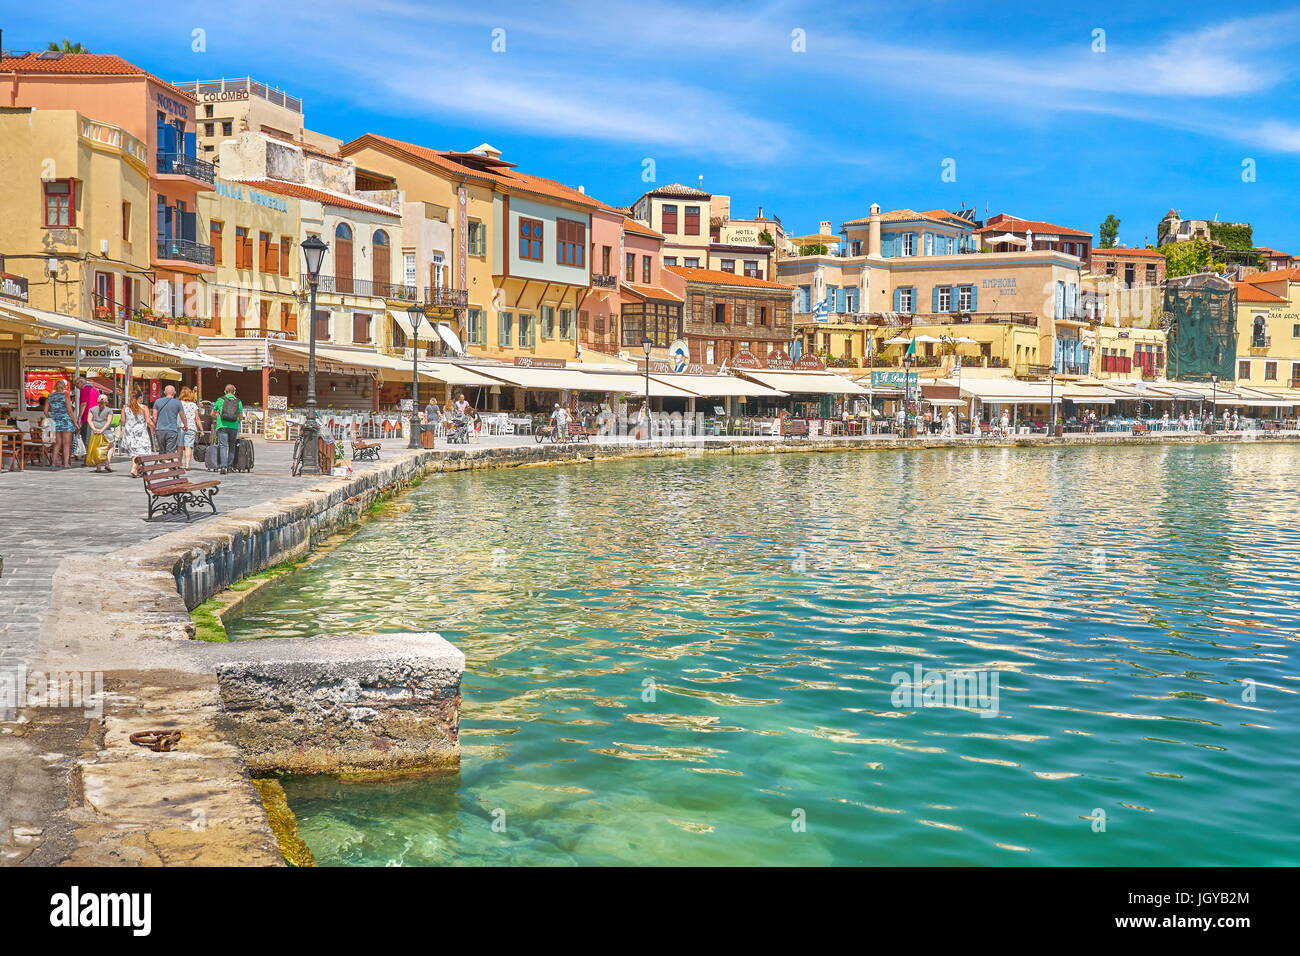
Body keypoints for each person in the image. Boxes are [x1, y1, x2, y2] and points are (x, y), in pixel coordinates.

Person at [42, 380, 75, 468]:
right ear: (63, 387)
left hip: (55, 421)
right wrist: (75, 422)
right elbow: (69, 411)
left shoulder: (50, 396)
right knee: (66, 443)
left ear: (55, 387)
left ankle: (53, 462)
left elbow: (45, 411)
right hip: (65, 420)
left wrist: (51, 417)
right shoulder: (65, 395)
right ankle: (66, 463)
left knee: (57, 443)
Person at [121, 391, 153, 476]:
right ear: (140, 398)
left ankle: (137, 469)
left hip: (129, 432)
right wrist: (154, 427)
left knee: (134, 453)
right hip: (140, 432)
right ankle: (134, 468)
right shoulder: (143, 407)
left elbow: (123, 421)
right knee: (140, 452)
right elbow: (148, 421)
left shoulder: (125, 408)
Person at [212, 384, 242, 473]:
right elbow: (240, 416)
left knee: (223, 446)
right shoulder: (238, 401)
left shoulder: (220, 400)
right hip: (233, 426)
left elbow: (213, 413)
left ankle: (223, 467)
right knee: (232, 446)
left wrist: (217, 418)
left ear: (225, 391)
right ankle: (230, 466)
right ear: (234, 392)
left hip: (222, 425)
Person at [152, 384, 187, 455]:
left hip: (160, 430)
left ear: (164, 392)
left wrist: (154, 426)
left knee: (162, 451)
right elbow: (183, 416)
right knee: (170, 451)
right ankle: (170, 464)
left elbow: (154, 417)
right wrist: (185, 425)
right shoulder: (178, 403)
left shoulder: (157, 402)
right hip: (172, 430)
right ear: (174, 393)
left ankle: (163, 464)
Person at [86, 394, 116, 473]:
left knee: (97, 448)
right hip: (106, 431)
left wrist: (94, 429)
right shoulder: (109, 410)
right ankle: (107, 464)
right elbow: (109, 421)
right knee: (110, 446)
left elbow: (89, 420)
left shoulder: (92, 409)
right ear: (107, 402)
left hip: (95, 431)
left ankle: (98, 467)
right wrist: (102, 429)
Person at [76, 376, 100, 451]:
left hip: (87, 416)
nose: (77, 388)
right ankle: (91, 455)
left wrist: (79, 417)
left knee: (86, 437)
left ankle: (87, 456)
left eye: (77, 385)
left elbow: (83, 404)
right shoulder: (96, 390)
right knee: (92, 437)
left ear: (81, 383)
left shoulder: (85, 390)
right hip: (96, 416)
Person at [178, 386, 200, 469]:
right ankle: (187, 465)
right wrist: (201, 429)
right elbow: (197, 418)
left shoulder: (179, 403)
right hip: (191, 427)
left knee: (180, 446)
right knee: (188, 447)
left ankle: (179, 464)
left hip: (181, 426)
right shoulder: (194, 405)